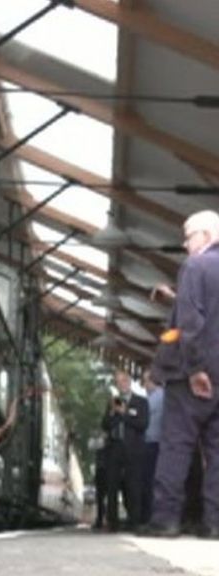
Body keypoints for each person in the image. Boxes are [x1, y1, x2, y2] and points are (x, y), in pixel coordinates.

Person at [145, 210, 219, 538]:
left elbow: (193, 320)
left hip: (193, 375)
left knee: (177, 445)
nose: (185, 243)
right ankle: (214, 522)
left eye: (188, 236)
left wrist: (195, 369)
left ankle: (166, 518)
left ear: (205, 236)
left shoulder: (195, 266)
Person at [101, 369, 148, 530]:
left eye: (123, 381)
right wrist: (113, 413)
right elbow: (105, 425)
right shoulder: (113, 402)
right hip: (115, 448)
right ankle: (112, 522)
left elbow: (142, 424)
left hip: (133, 449)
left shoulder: (141, 402)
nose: (121, 384)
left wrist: (125, 413)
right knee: (112, 485)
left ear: (129, 382)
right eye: (118, 381)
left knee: (133, 484)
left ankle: (135, 521)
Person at [140, 373, 164, 525]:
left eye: (144, 381)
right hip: (157, 443)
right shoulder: (161, 396)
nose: (143, 385)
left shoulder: (156, 398)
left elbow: (142, 419)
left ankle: (151, 517)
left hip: (152, 443)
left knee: (149, 482)